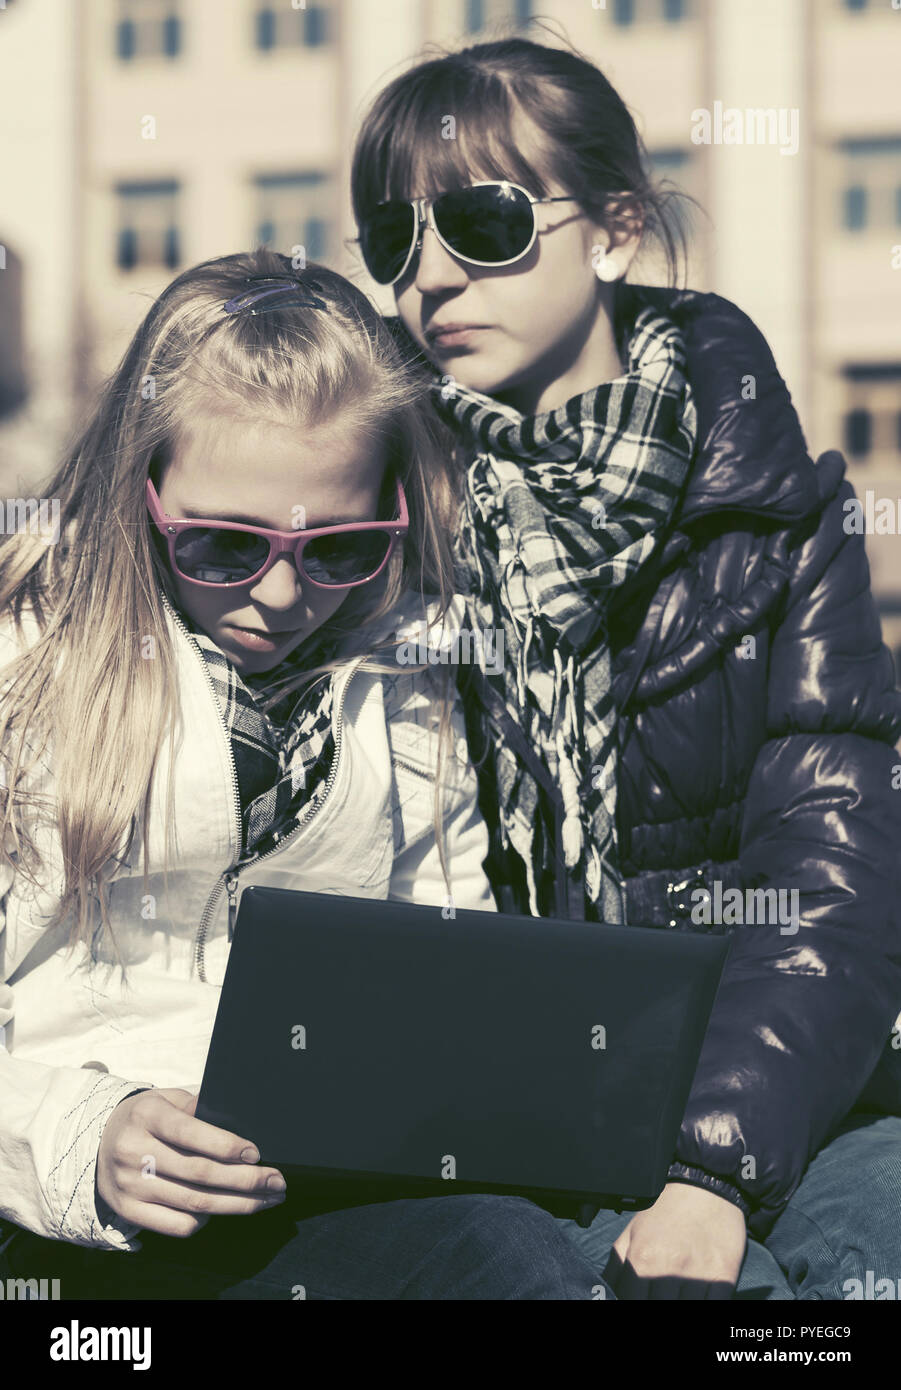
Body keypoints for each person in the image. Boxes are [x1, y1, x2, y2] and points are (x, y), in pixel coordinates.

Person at [349, 32, 901, 1300]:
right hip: (491, 1097)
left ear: (612, 229)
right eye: (395, 239)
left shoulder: (767, 508)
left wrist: (711, 1173)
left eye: (484, 223)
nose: (429, 276)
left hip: (772, 1077)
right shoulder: (372, 506)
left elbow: (835, 866)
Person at [0, 248, 611, 1300]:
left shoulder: (422, 681)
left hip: (320, 1203)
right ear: (135, 491)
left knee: (516, 1259)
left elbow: (446, 970)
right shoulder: (28, 676)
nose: (281, 596)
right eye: (223, 545)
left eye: (339, 549)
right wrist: (83, 1141)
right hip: (63, 1227)